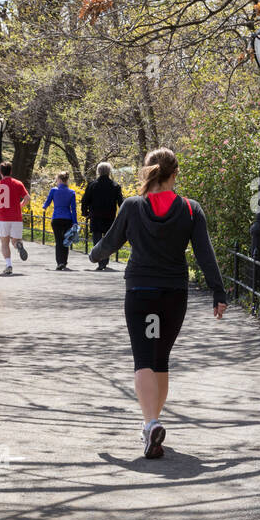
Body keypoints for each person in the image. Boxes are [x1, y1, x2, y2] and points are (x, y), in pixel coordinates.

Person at [89, 148, 227, 459]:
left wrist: (93, 254)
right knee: (160, 358)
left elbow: (110, 243)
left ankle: (151, 423)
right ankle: (152, 424)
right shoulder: (191, 210)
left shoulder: (133, 206)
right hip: (174, 295)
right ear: (175, 174)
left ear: (146, 172)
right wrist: (219, 292)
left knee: (143, 358)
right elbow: (205, 255)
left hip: (140, 291)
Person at [83, 162, 124, 270]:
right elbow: (121, 202)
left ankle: (100, 260)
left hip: (95, 216)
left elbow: (85, 200)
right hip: (109, 216)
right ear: (109, 171)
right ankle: (104, 261)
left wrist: (85, 213)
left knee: (97, 238)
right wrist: (122, 214)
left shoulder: (92, 185)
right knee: (108, 239)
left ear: (98, 171)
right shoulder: (115, 186)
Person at [0, 161, 29, 276]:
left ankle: (8, 265)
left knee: (4, 242)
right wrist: (20, 205)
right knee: (15, 240)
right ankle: (18, 245)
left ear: (0, 172)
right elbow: (27, 198)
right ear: (11, 171)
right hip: (17, 217)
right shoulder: (18, 183)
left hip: (3, 218)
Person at [43, 171, 77, 270]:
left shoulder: (54, 190)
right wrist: (75, 222)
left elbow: (48, 201)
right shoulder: (71, 192)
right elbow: (73, 209)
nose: (56, 181)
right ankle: (64, 261)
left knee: (58, 241)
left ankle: (59, 262)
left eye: (57, 179)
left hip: (56, 218)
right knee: (66, 241)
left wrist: (44, 206)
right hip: (67, 219)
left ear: (60, 180)